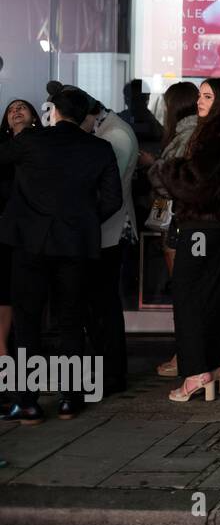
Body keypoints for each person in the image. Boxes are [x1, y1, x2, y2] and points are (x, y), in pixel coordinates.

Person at [0, 86, 121, 424]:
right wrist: (82, 221)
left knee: (27, 322)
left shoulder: (30, 141)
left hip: (29, 245)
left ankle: (28, 403)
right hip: (74, 246)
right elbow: (112, 200)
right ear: (84, 116)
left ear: (53, 111)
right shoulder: (99, 149)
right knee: (70, 320)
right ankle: (70, 399)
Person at [152, 78, 220, 403]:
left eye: (207, 96)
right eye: (200, 95)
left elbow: (195, 183)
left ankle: (195, 373)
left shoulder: (213, 134)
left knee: (188, 293)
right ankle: (217, 366)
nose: (200, 102)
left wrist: (168, 169)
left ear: (219, 101)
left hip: (201, 226)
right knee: (216, 295)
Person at [141, 81, 200, 378]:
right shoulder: (196, 132)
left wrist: (154, 166)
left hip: (179, 221)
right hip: (186, 221)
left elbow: (173, 180)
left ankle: (186, 356)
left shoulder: (186, 135)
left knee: (185, 294)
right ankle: (192, 355)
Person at [83, 92, 139, 396]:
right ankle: (108, 371)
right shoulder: (106, 129)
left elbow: (109, 188)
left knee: (104, 304)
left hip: (110, 231)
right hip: (104, 230)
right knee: (101, 304)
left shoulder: (114, 133)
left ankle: (112, 373)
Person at [0, 99, 42, 381]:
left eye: (22, 107)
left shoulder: (44, 146)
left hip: (31, 232)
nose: (16, 111)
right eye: (11, 108)